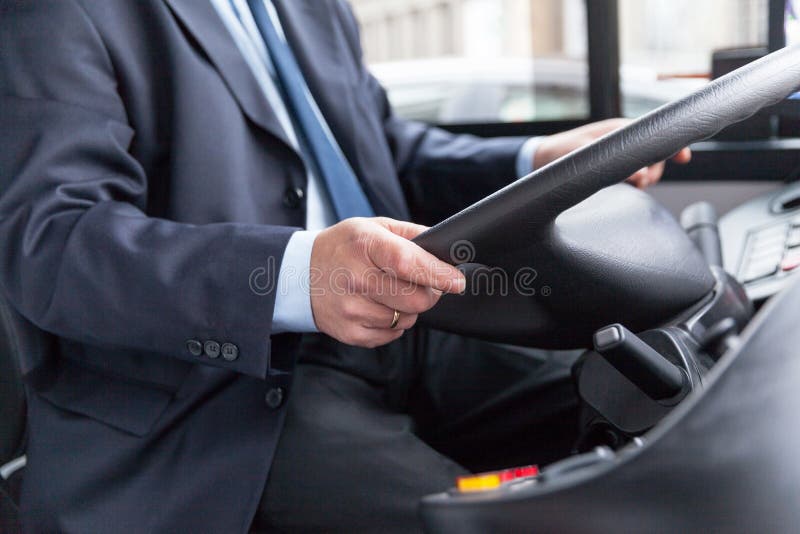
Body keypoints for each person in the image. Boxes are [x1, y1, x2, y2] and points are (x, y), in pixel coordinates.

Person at [0, 0, 691, 531]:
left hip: (407, 325)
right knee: (482, 522)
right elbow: (53, 241)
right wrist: (299, 273)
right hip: (219, 389)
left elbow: (384, 149)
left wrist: (534, 159)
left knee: (651, 411)